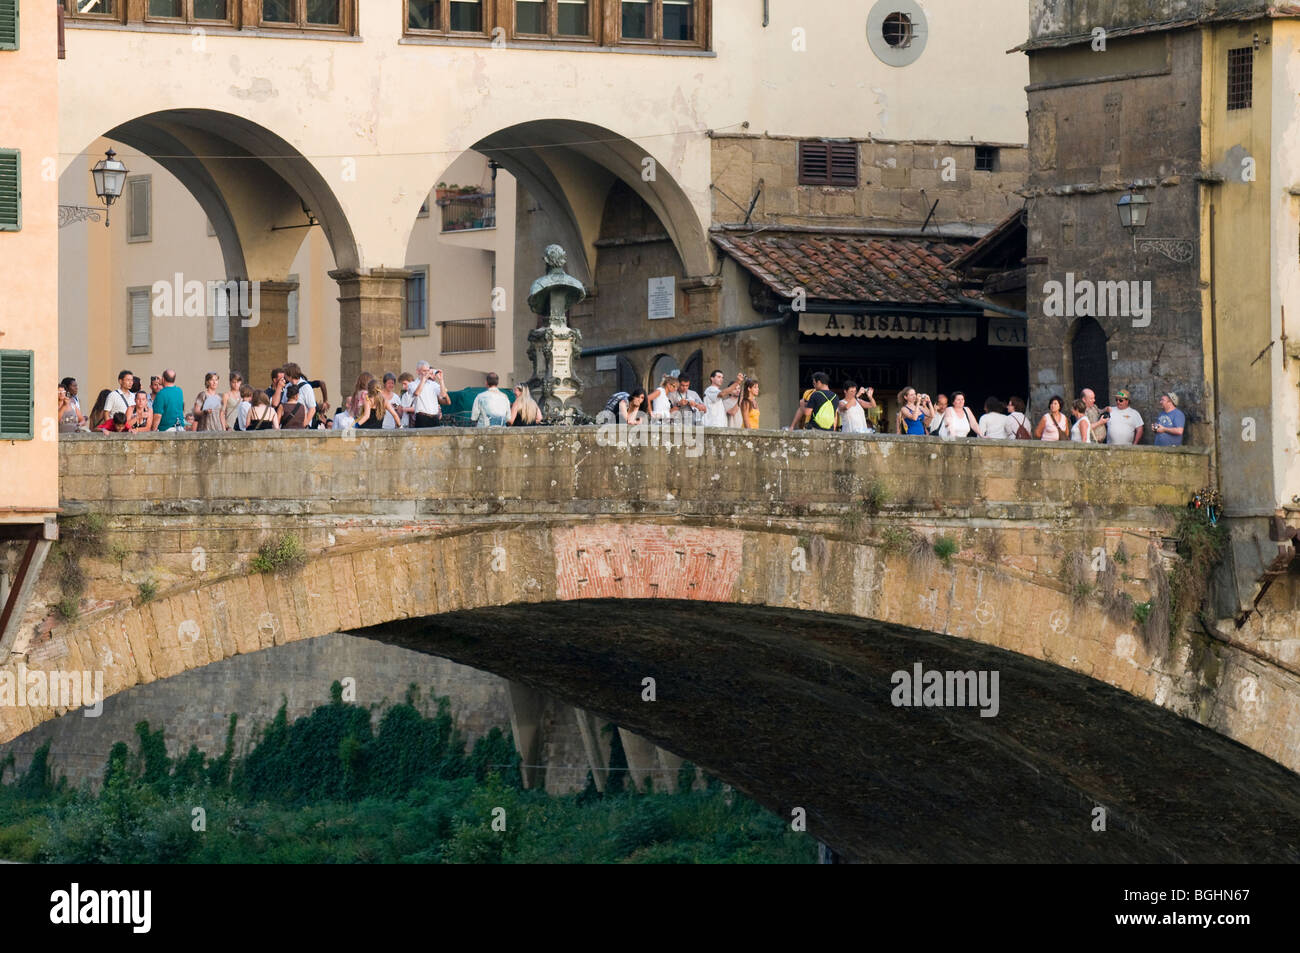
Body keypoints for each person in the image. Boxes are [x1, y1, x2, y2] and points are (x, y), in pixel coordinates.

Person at [410, 361, 450, 427]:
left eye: (428, 371)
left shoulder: (433, 384)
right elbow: (416, 393)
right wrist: (424, 379)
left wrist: (441, 380)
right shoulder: (413, 384)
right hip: (422, 417)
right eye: (424, 371)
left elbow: (443, 395)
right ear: (418, 371)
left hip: (434, 417)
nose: (426, 373)